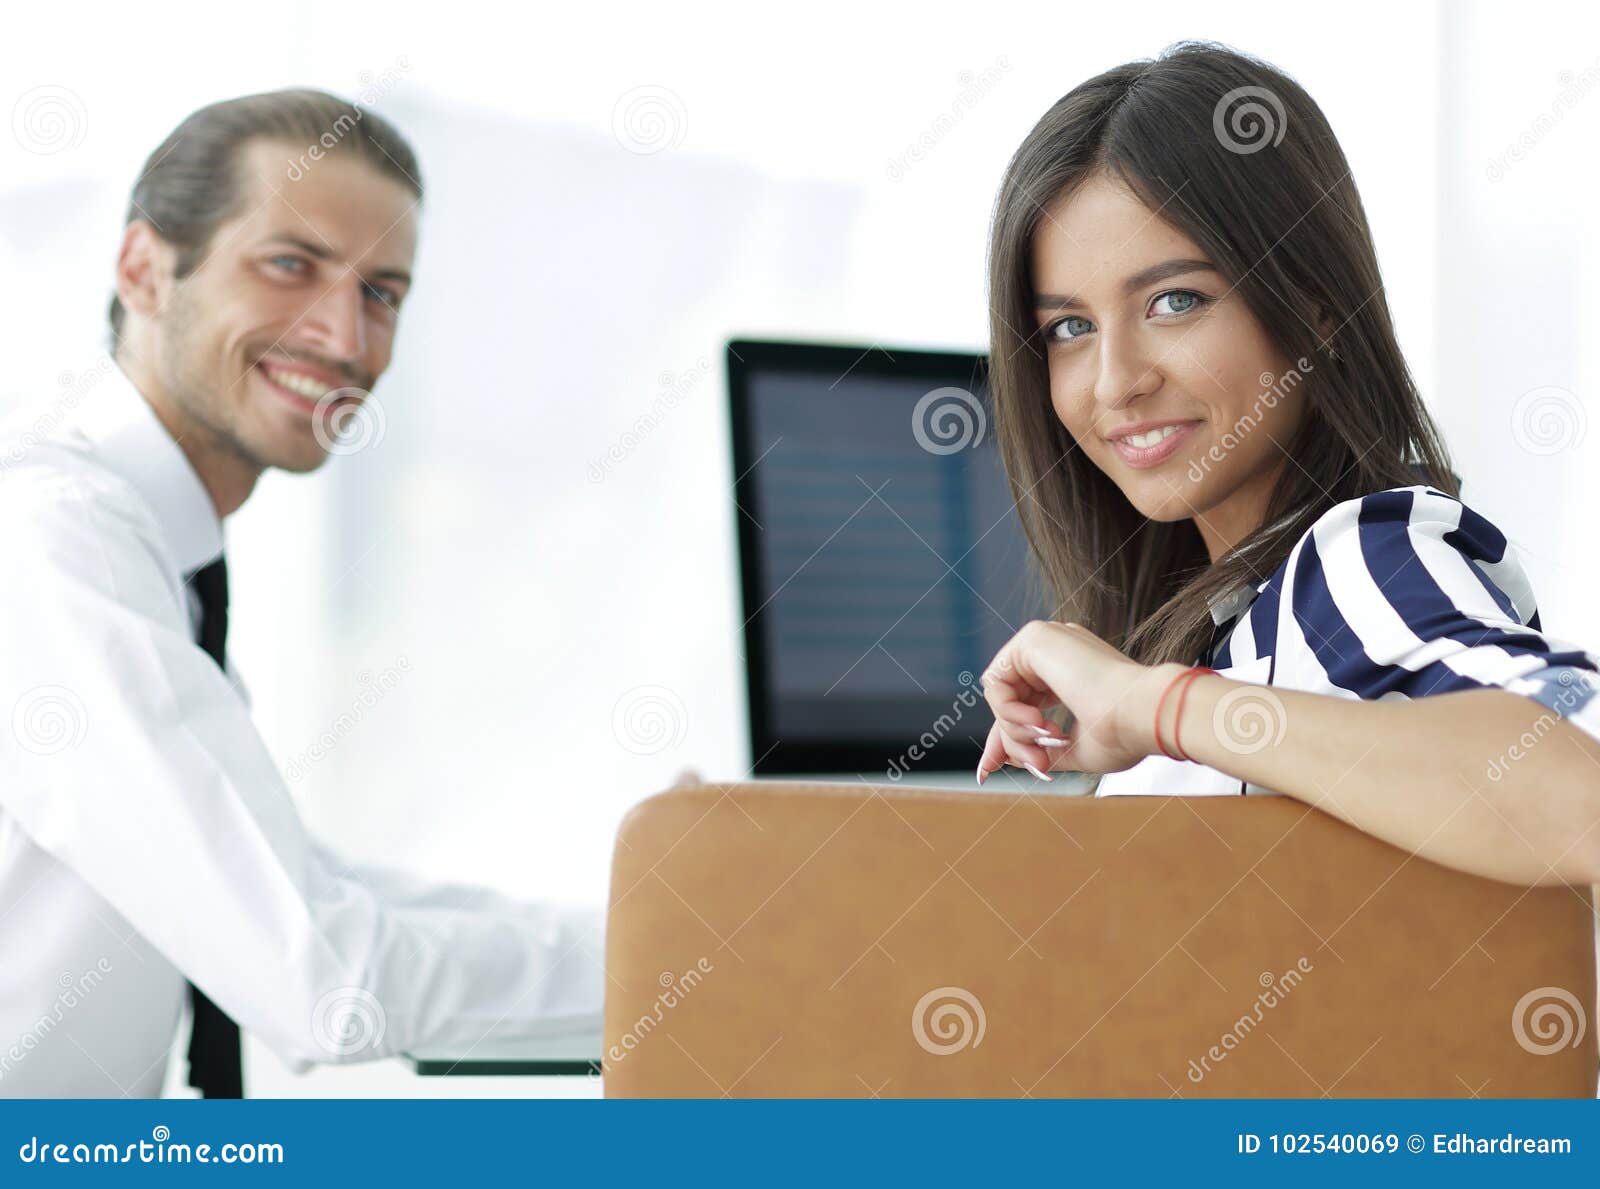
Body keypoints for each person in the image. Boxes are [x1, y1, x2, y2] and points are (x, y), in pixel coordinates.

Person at [0, 90, 601, 1098]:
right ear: (144, 269)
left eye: (382, 293)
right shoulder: (56, 539)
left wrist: (686, 916)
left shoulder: (154, 554)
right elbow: (323, 976)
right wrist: (698, 953)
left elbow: (301, 887)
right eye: (290, 266)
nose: (342, 335)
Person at [972, 42, 1600, 889]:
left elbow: (1582, 784)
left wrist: (1150, 703)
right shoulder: (1231, 622)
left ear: (1314, 312)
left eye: (1174, 301)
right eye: (1069, 329)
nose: (1117, 380)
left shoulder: (1358, 559)